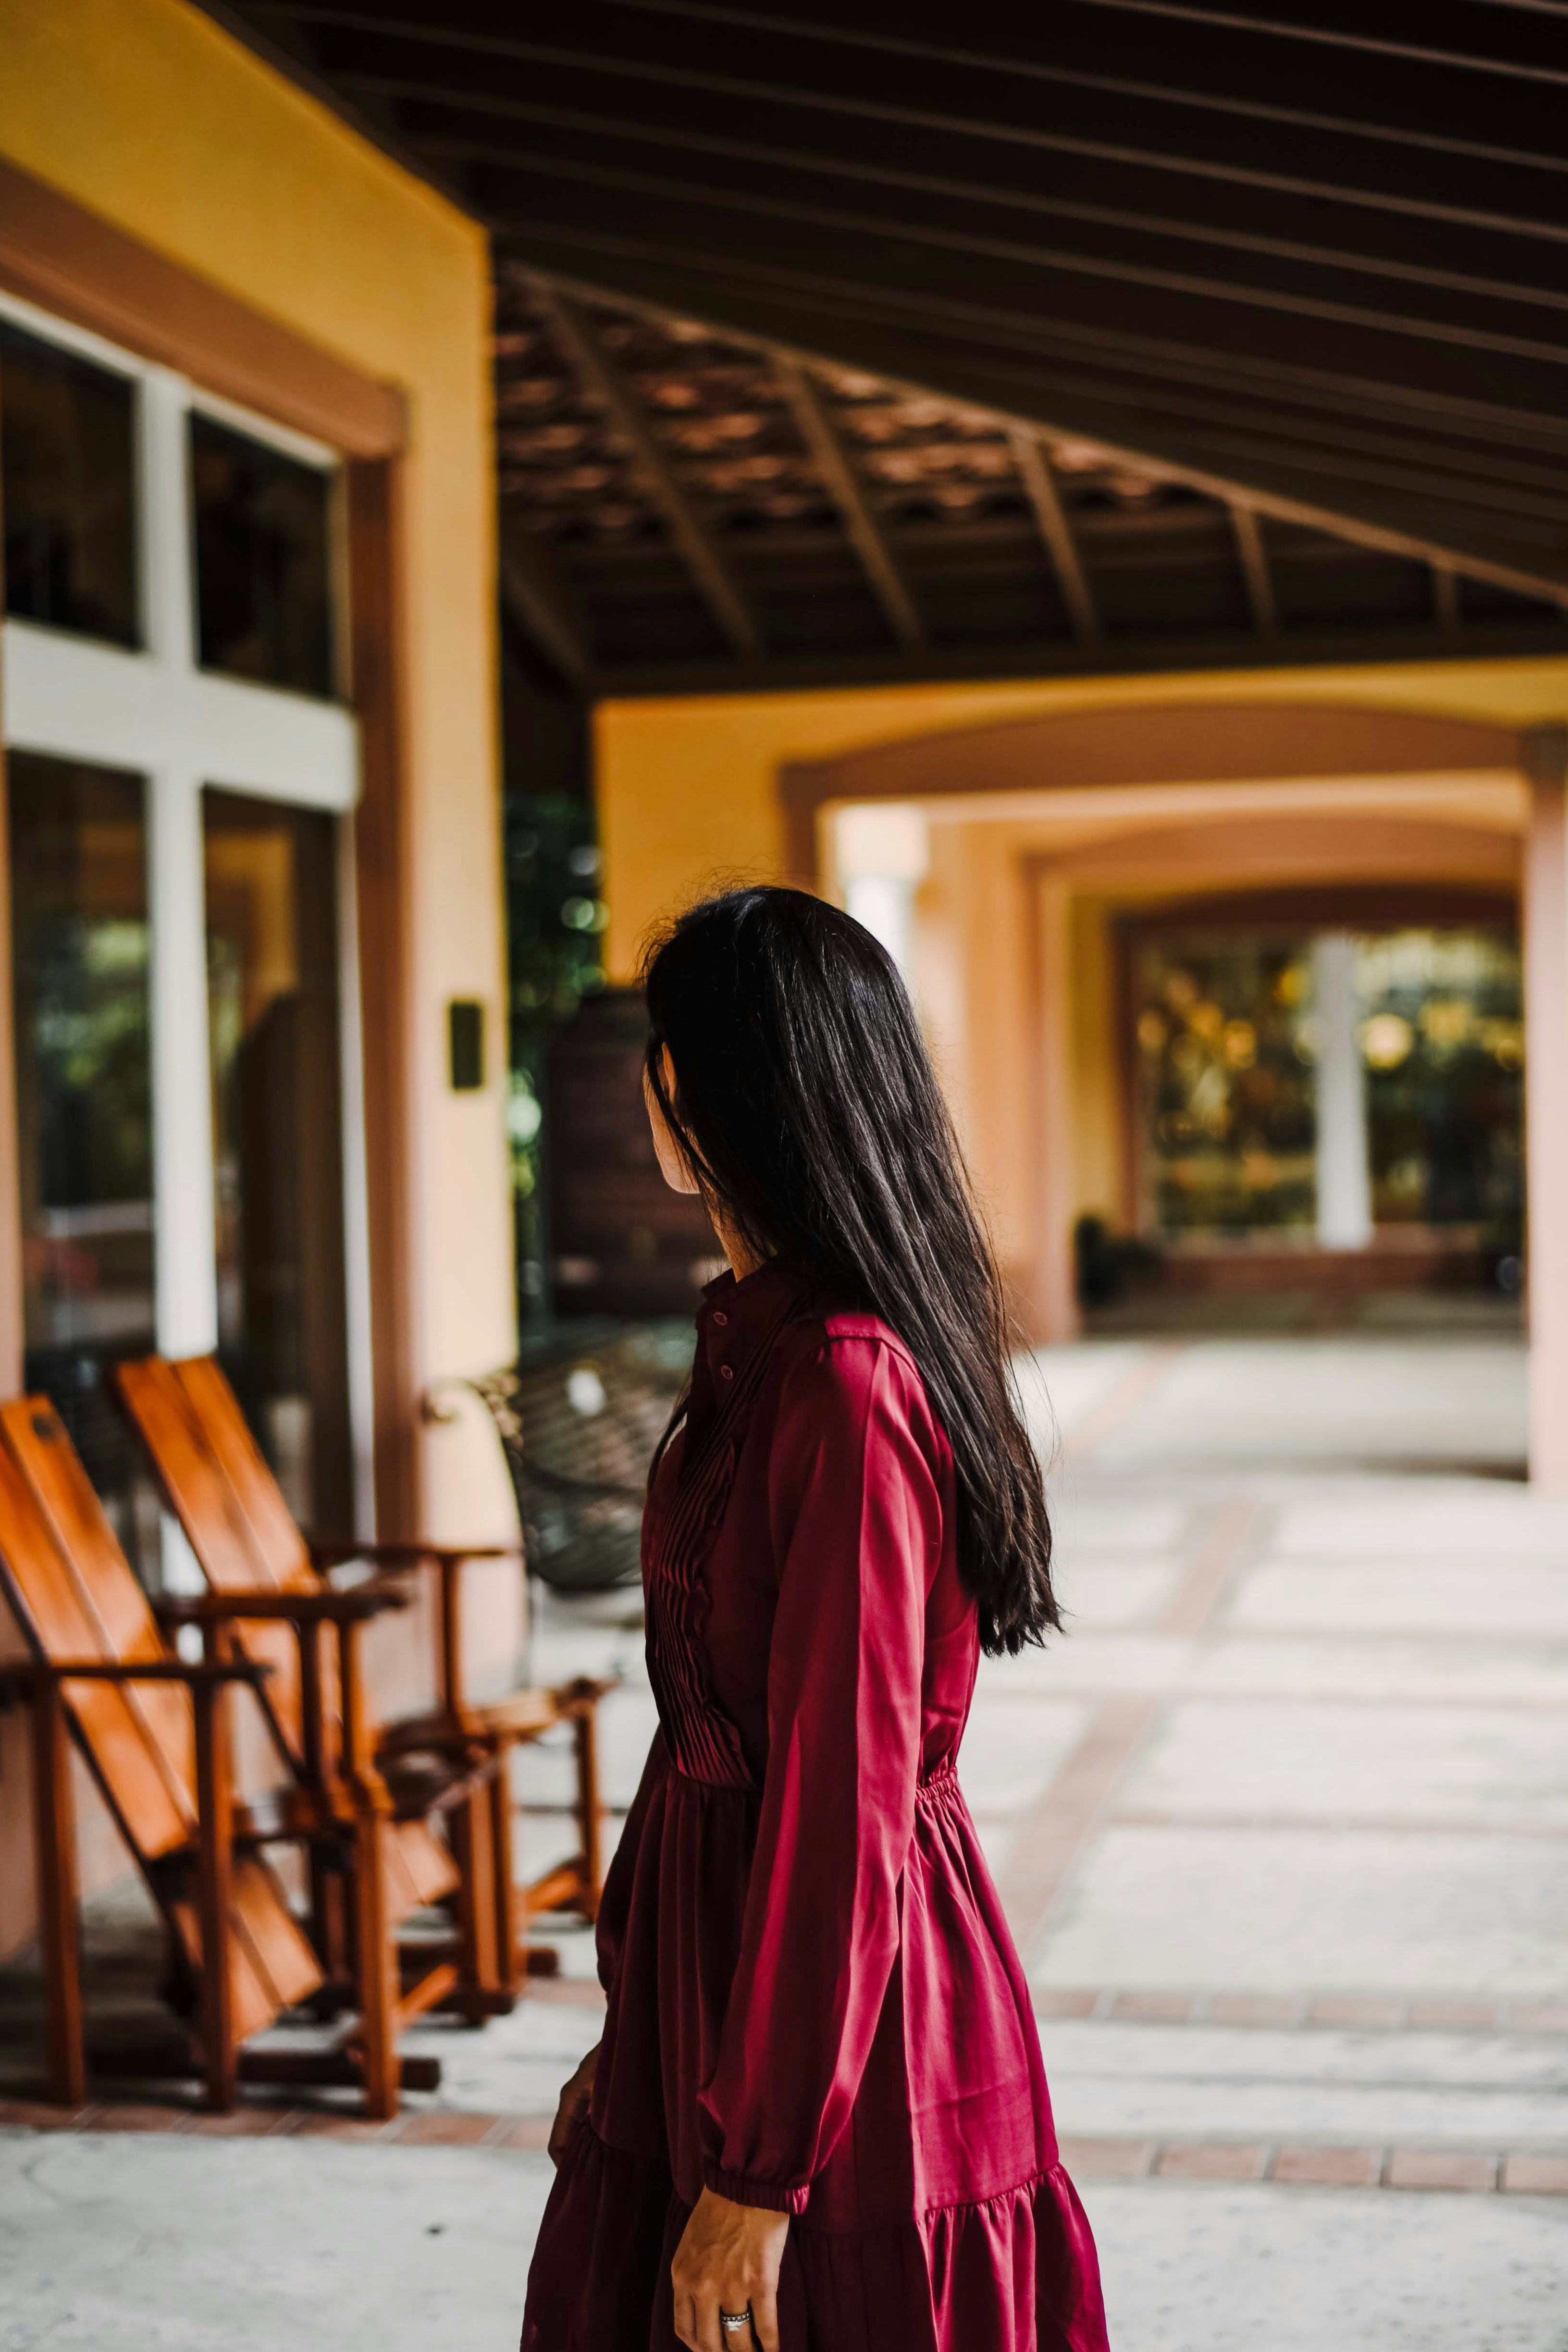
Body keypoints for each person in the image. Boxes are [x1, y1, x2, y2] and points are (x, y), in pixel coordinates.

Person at [521, 886, 1108, 2352]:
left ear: (687, 1096)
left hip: (846, 2027)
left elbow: (840, 1807)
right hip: (715, 1986)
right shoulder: (761, 1348)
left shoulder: (843, 1384)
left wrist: (764, 2165)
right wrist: (635, 2030)